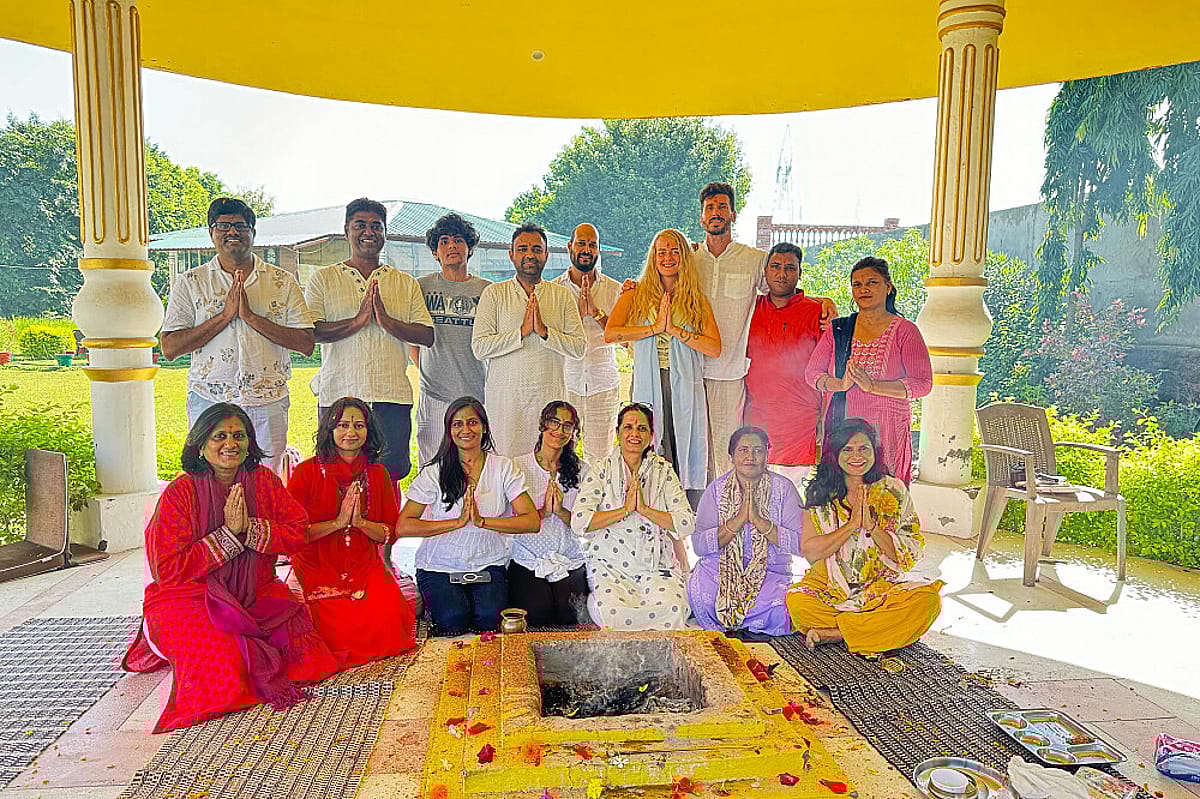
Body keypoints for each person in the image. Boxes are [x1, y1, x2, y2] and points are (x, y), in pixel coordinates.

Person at [121, 404, 337, 733]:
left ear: (250, 442)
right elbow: (166, 568)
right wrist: (226, 537)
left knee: (310, 658)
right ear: (201, 445)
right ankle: (170, 647)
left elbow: (297, 531)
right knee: (223, 668)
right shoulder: (180, 493)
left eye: (239, 435)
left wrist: (249, 529)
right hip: (189, 596)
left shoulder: (264, 481)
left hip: (256, 591)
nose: (230, 444)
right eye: (219, 436)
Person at [161, 198, 314, 474]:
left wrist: (252, 318)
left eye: (241, 226)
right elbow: (170, 348)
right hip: (210, 399)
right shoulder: (191, 282)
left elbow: (306, 343)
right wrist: (224, 316)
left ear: (253, 233)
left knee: (265, 481)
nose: (232, 232)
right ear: (211, 232)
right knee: (209, 479)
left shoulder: (281, 282)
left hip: (267, 400)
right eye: (223, 226)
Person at [786, 418, 943, 654]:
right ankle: (872, 630)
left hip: (880, 586)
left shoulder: (893, 489)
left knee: (928, 602)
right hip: (830, 584)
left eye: (863, 448)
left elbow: (910, 552)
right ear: (835, 454)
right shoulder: (820, 492)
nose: (856, 456)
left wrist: (872, 527)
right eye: (847, 449)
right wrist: (851, 526)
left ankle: (837, 633)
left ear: (874, 452)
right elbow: (811, 552)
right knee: (797, 602)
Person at [305, 198, 434, 484]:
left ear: (385, 232)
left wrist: (387, 322)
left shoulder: (404, 282)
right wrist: (358, 322)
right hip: (339, 393)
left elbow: (427, 335)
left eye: (376, 226)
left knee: (388, 476)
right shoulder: (324, 279)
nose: (369, 232)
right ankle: (342, 529)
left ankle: (386, 530)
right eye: (360, 225)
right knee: (336, 475)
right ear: (346, 230)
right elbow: (310, 333)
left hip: (391, 396)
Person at [286, 397, 417, 668]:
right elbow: (292, 534)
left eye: (359, 425)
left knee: (388, 618)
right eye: (342, 425)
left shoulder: (378, 474)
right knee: (333, 623)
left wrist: (359, 523)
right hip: (317, 564)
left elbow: (389, 533)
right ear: (329, 430)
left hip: (363, 562)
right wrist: (337, 523)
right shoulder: (306, 472)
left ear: (369, 432)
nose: (350, 432)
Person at [396, 397, 540, 635]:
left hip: (488, 561)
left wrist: (483, 522)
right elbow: (403, 526)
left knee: (488, 620)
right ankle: (435, 598)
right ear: (449, 431)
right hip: (439, 565)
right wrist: (456, 523)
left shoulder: (503, 467)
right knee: (453, 621)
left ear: (484, 427)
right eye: (457, 424)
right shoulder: (436, 471)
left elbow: (532, 521)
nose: (466, 429)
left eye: (472, 422)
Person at [605, 228, 721, 503]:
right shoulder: (636, 293)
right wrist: (655, 329)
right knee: (653, 439)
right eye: (661, 252)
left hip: (685, 382)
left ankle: (681, 509)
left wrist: (675, 330)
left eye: (674, 251)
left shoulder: (695, 298)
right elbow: (611, 333)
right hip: (648, 378)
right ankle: (650, 502)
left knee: (684, 441)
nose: (667, 258)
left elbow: (714, 348)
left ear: (683, 257)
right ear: (653, 257)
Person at [805, 257, 932, 484]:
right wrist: (840, 384)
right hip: (844, 426)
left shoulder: (905, 331)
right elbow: (812, 373)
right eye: (857, 284)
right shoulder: (840, 329)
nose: (863, 289)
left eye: (872, 282)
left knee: (886, 495)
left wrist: (873, 386)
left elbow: (923, 383)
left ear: (888, 286)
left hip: (888, 429)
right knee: (842, 493)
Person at [571, 403, 695, 630]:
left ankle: (666, 663)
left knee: (673, 608)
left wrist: (645, 510)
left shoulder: (663, 471)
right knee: (613, 612)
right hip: (610, 564)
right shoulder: (601, 469)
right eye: (628, 427)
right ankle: (621, 665)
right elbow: (579, 522)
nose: (634, 434)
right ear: (618, 433)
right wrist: (625, 510)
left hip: (657, 565)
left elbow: (686, 523)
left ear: (651, 435)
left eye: (642, 428)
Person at [472, 221, 587, 457]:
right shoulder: (494, 293)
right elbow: (479, 347)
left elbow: (579, 347)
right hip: (506, 403)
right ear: (512, 255)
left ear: (546, 254)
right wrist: (520, 333)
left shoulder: (561, 295)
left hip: (548, 397)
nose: (529, 255)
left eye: (536, 249)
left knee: (548, 467)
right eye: (522, 249)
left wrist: (545, 332)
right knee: (505, 469)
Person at [687, 426, 804, 637]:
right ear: (731, 455)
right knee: (703, 596)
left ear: (767, 455)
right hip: (719, 569)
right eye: (743, 450)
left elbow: (802, 544)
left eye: (758, 450)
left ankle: (752, 635)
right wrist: (738, 520)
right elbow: (699, 546)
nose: (751, 456)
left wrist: (760, 522)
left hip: (771, 571)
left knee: (780, 607)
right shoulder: (716, 489)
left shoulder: (784, 489)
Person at [744, 242, 825, 490]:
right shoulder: (749, 307)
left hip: (799, 423)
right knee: (755, 495)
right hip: (757, 417)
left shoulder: (816, 312)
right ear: (765, 271)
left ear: (800, 273)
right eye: (776, 266)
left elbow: (828, 368)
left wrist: (825, 416)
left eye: (790, 268)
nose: (782, 274)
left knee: (793, 499)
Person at [413, 213, 491, 466]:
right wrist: (428, 371)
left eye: (458, 240)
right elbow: (411, 340)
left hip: (476, 392)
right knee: (431, 465)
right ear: (435, 252)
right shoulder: (420, 287)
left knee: (473, 464)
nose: (452, 246)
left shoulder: (487, 290)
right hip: (433, 395)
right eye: (444, 241)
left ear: (470, 249)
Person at [509, 401, 590, 626]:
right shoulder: (518, 467)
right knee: (536, 613)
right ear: (543, 424)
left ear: (574, 432)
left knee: (571, 615)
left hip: (569, 557)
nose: (560, 430)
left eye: (567, 425)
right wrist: (543, 512)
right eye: (554, 422)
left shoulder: (583, 471)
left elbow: (587, 526)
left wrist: (561, 511)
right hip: (528, 558)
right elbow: (509, 521)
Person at [552, 223, 622, 462]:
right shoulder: (553, 291)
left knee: (600, 462)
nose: (587, 249)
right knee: (561, 459)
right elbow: (548, 339)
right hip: (565, 385)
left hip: (603, 386)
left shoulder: (615, 290)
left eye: (592, 245)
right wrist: (578, 317)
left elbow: (624, 339)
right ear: (569, 246)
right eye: (581, 243)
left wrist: (596, 313)